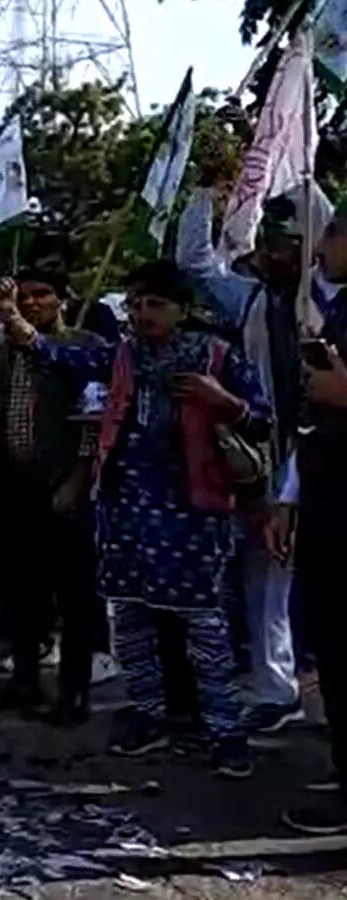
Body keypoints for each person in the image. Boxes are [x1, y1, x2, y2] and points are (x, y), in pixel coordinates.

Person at [5, 260, 270, 779]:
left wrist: (225, 404)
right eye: (137, 304)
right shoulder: (123, 355)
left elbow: (261, 421)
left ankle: (224, 731)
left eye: (156, 305)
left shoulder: (217, 356)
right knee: (131, 621)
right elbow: (69, 357)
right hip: (126, 511)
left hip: (195, 516)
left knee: (207, 629)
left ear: (185, 310)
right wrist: (26, 335)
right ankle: (147, 715)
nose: (143, 314)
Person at [179, 186, 338, 735]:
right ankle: (276, 688)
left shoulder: (328, 303)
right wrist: (210, 193)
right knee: (263, 578)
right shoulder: (250, 298)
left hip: (323, 462)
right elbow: (194, 264)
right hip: (263, 461)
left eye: (288, 243)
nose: (274, 254)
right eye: (268, 242)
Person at [0, 270, 106, 723]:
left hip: (63, 482)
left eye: (41, 295)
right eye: (23, 297)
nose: (30, 304)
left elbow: (93, 417)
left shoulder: (84, 346)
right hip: (13, 482)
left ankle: (73, 693)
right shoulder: (6, 350)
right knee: (19, 588)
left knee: (73, 594)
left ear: (63, 298)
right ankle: (25, 679)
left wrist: (77, 480)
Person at [273, 210, 347, 834]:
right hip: (327, 504)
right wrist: (288, 498)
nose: (322, 248)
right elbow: (316, 419)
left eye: (333, 236)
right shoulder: (339, 313)